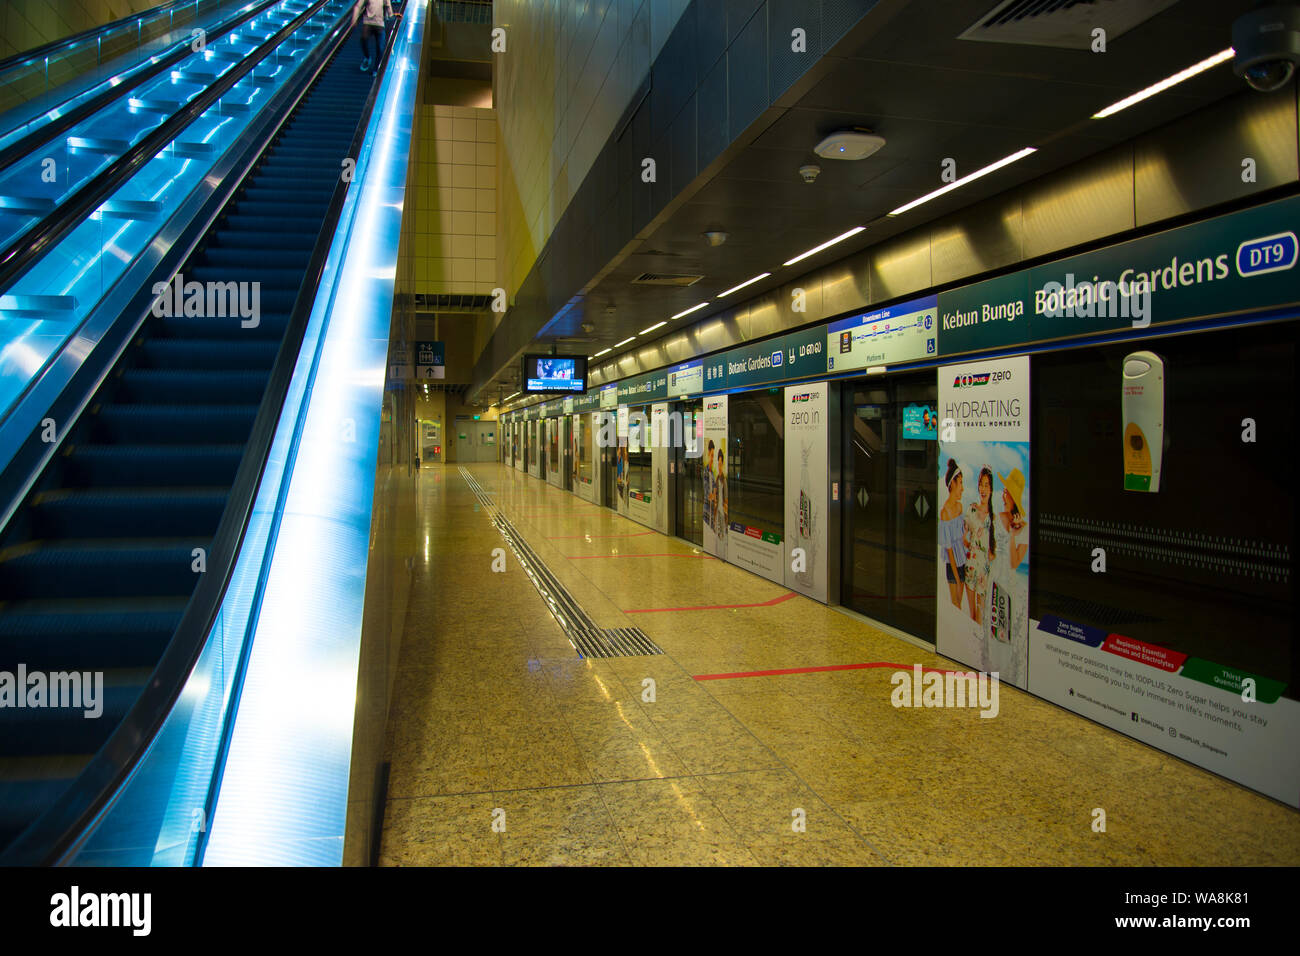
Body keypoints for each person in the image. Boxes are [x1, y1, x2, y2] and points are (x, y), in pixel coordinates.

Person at [989, 467, 1029, 684]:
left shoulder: (1023, 528)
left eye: (1007, 491)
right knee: (993, 620)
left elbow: (1015, 562)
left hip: (1008, 581)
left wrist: (1013, 535)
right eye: (1004, 490)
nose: (1003, 494)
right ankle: (992, 664)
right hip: (994, 576)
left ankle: (1005, 670)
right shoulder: (997, 518)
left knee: (1005, 623)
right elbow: (992, 550)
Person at [963, 466, 995, 627]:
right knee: (972, 616)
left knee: (980, 617)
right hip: (970, 567)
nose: (983, 488)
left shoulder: (993, 517)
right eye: (981, 484)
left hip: (984, 571)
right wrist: (972, 548)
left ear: (991, 488)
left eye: (987, 485)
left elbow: (995, 550)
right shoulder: (971, 509)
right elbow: (964, 537)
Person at [939, 459, 966, 611]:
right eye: (960, 483)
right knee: (956, 606)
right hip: (953, 565)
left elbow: (962, 538)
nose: (962, 488)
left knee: (959, 604)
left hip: (963, 560)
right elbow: (949, 550)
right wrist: (957, 576)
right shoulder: (944, 513)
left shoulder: (960, 507)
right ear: (953, 484)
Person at [353, 0, 394, 74]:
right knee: (363, 39)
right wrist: (354, 18)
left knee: (380, 47)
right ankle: (367, 58)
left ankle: (376, 67)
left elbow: (388, 6)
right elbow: (358, 6)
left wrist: (391, 15)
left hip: (380, 23)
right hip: (368, 22)